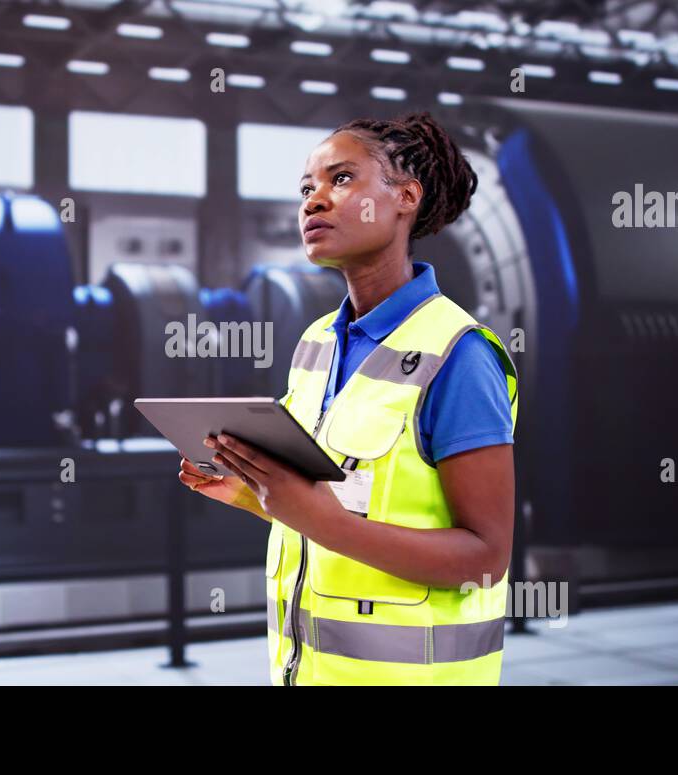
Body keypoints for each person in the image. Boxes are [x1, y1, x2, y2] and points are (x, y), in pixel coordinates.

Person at [178, 112, 519, 685]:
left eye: (341, 180)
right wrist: (258, 495)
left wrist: (322, 521)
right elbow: (345, 504)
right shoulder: (316, 343)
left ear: (406, 196)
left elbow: (485, 561)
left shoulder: (457, 355)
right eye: (306, 188)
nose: (313, 201)